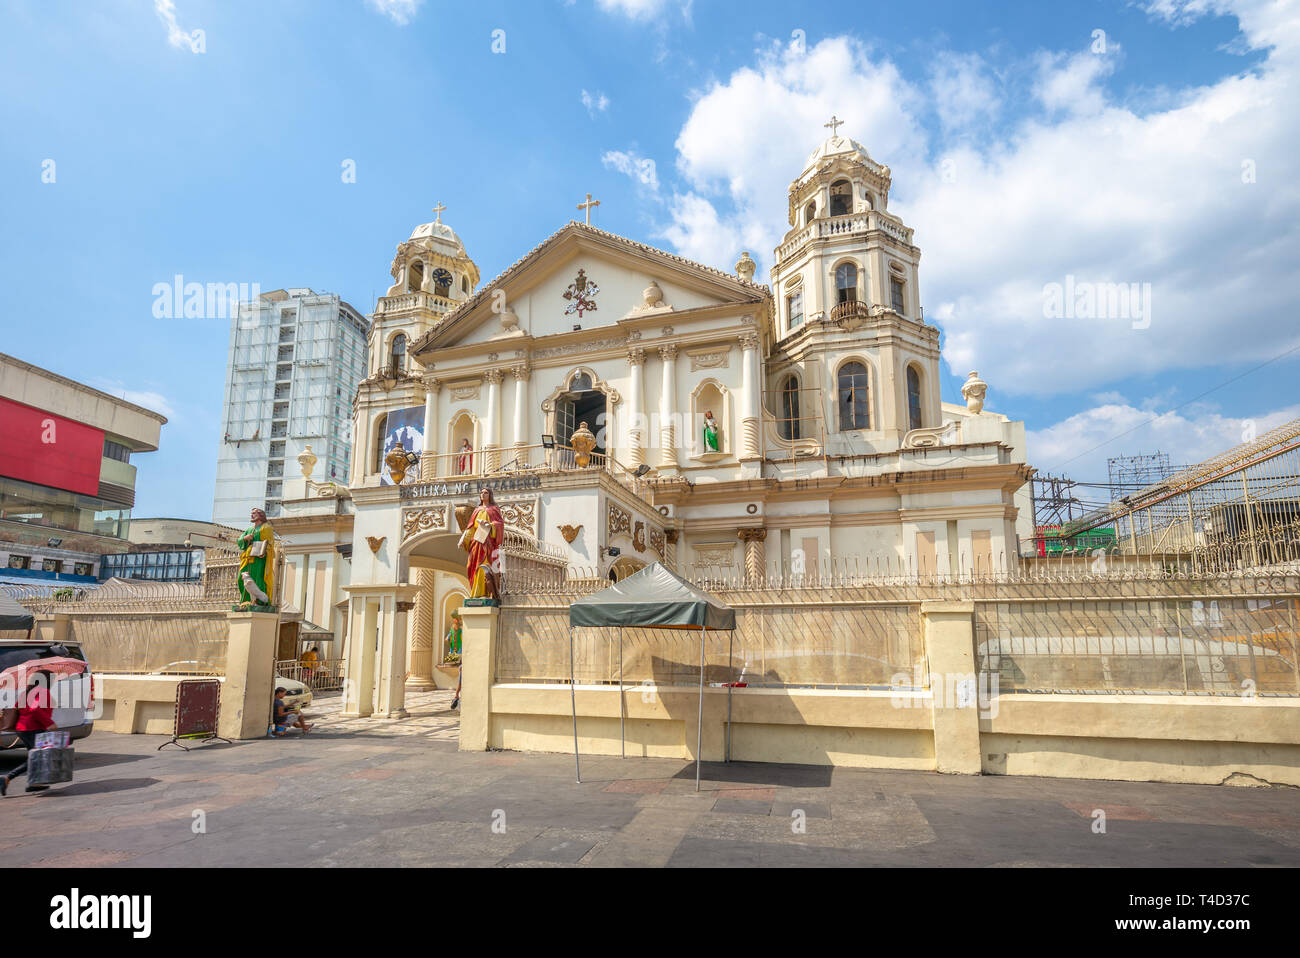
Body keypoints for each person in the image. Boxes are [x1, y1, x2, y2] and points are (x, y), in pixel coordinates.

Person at [0, 671, 57, 796]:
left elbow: (17, 707)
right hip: (33, 729)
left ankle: (34, 783)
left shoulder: (26, 692)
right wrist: (49, 723)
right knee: (37, 756)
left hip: (23, 729)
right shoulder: (43, 692)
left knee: (35, 756)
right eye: (54, 679)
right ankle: (7, 778)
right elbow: (35, 710)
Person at [458, 487, 503, 599]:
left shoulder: (494, 509)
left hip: (488, 542)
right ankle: (476, 592)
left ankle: (486, 592)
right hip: (477, 542)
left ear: (490, 495)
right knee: (474, 565)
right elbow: (471, 527)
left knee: (486, 567)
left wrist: (490, 525)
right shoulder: (477, 510)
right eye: (481, 493)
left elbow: (500, 524)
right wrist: (463, 539)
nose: (483, 494)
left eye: (486, 493)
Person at [236, 507, 276, 609]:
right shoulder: (250, 529)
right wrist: (245, 538)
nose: (252, 515)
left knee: (256, 579)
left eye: (254, 513)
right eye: (252, 513)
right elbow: (239, 540)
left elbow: (269, 543)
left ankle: (259, 601)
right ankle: (246, 600)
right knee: (241, 579)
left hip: (259, 559)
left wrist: (264, 550)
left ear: (261, 515)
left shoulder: (266, 527)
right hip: (247, 558)